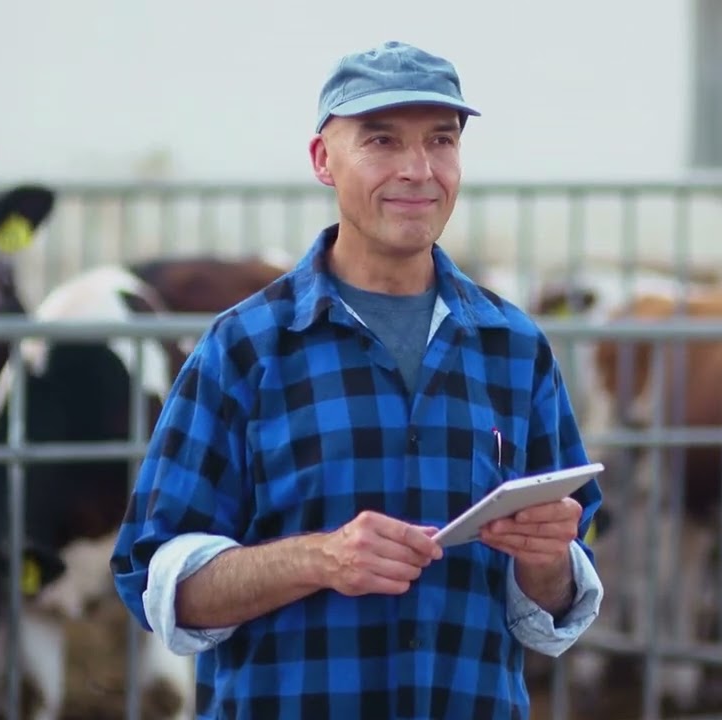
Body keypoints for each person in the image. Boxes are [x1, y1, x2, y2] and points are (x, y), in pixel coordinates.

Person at [110, 39, 606, 720]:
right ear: (323, 160)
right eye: (381, 141)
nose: (418, 170)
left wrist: (545, 559)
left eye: (441, 141)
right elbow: (158, 583)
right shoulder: (245, 348)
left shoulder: (516, 349)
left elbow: (553, 603)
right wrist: (319, 559)